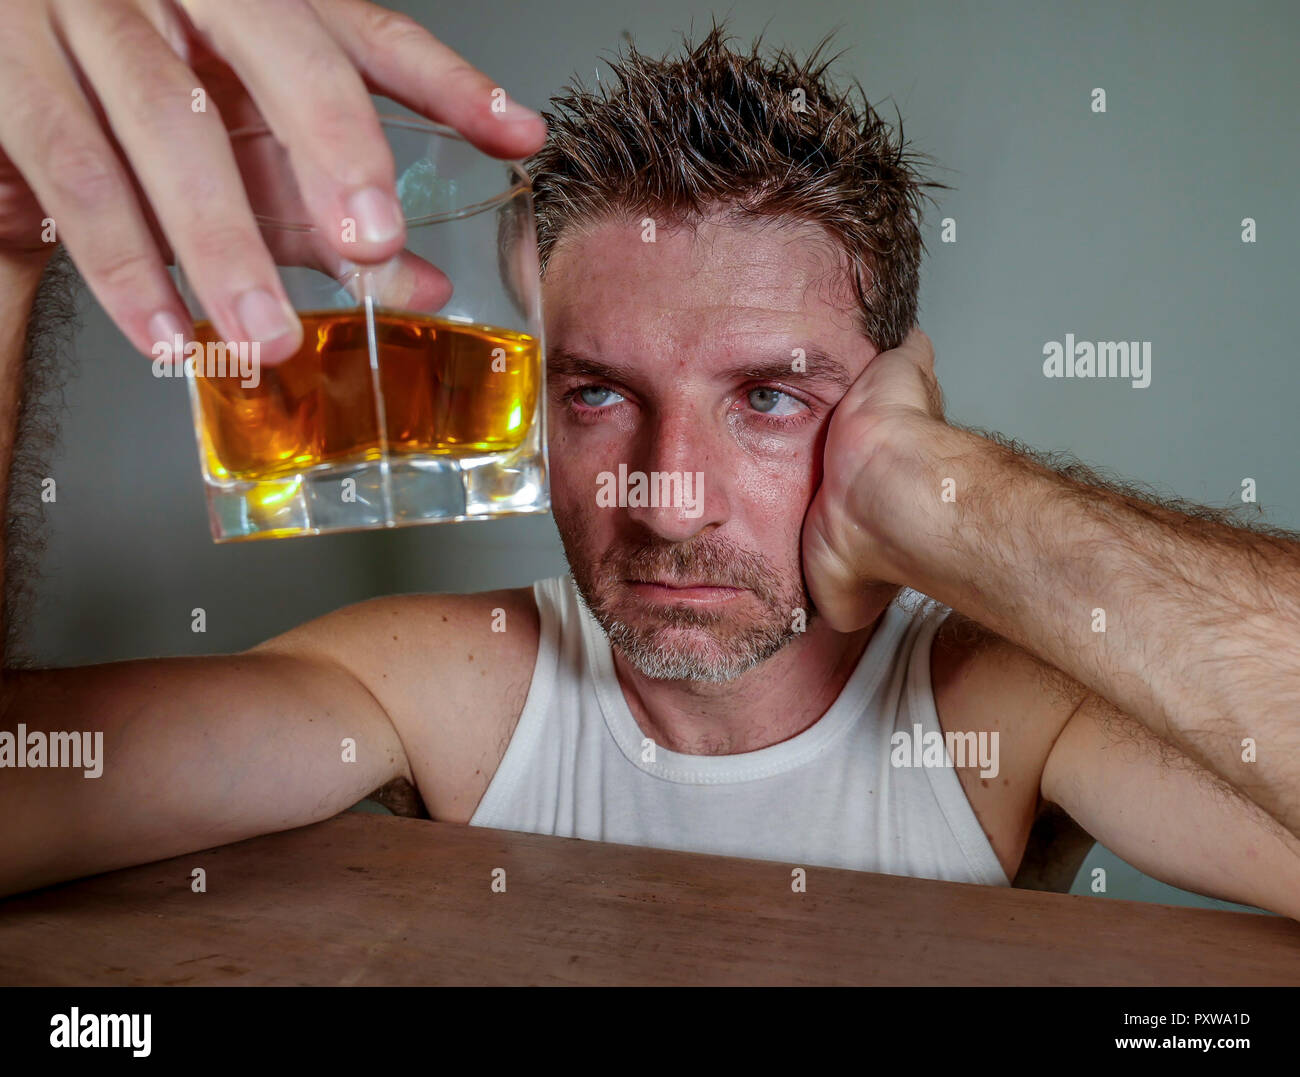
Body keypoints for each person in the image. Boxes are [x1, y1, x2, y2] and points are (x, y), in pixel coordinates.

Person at [0, 1, 1296, 917]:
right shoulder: (452, 689)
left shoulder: (996, 710)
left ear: (895, 397)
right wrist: (7, 253)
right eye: (603, 393)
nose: (668, 495)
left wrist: (946, 494)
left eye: (772, 397)